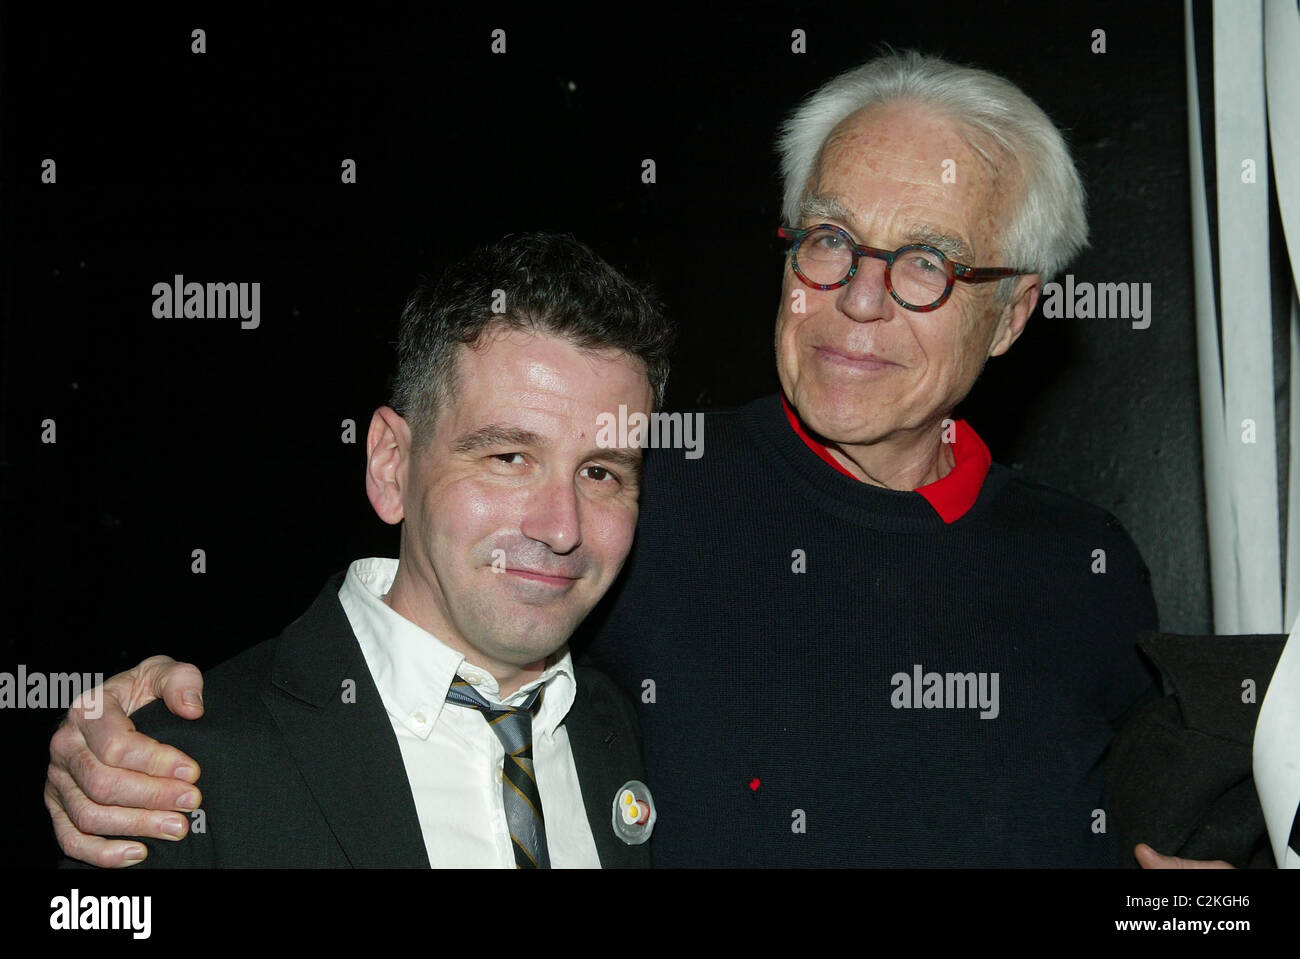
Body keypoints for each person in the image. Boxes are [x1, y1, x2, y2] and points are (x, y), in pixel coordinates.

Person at [46, 51, 1201, 867]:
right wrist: (138, 722)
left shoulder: (1086, 566)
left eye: (927, 263)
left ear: (1011, 314)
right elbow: (386, 640)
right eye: (831, 239)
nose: (857, 300)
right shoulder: (635, 488)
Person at [55, 231, 674, 868]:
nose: (561, 527)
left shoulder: (631, 728)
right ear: (390, 466)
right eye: (509, 457)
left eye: (601, 473)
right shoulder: (175, 773)